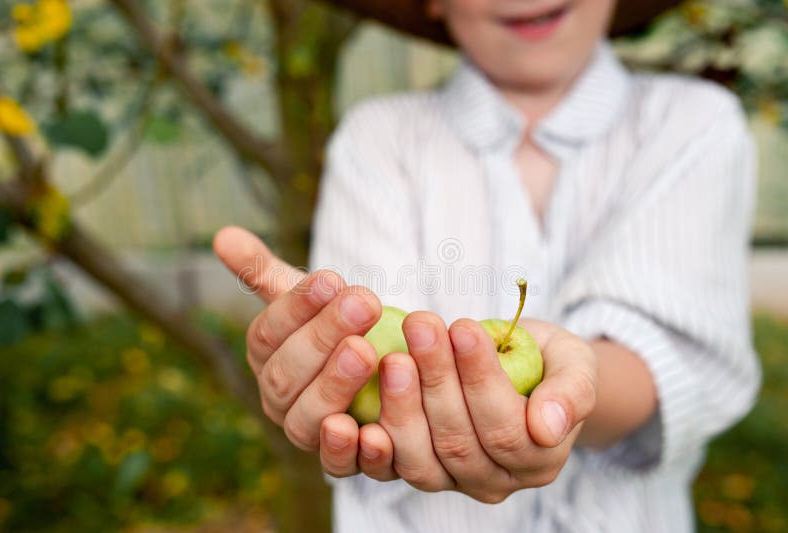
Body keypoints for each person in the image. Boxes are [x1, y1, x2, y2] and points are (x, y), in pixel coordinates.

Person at [213, 0, 761, 531]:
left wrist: (567, 391)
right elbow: (366, 358)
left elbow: (667, 358)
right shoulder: (378, 140)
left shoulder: (692, 124)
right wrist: (317, 363)